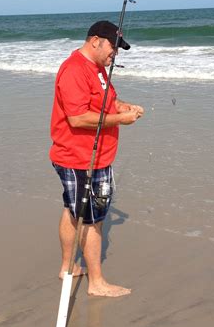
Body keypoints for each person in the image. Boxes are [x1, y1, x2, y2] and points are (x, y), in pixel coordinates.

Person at [50, 20, 144, 297]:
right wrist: (120, 120)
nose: (115, 53)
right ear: (95, 41)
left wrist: (122, 106)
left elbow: (105, 101)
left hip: (93, 157)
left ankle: (68, 267)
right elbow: (77, 118)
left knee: (73, 210)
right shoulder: (74, 70)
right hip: (80, 158)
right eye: (113, 47)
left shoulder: (98, 69)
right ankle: (97, 283)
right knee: (93, 219)